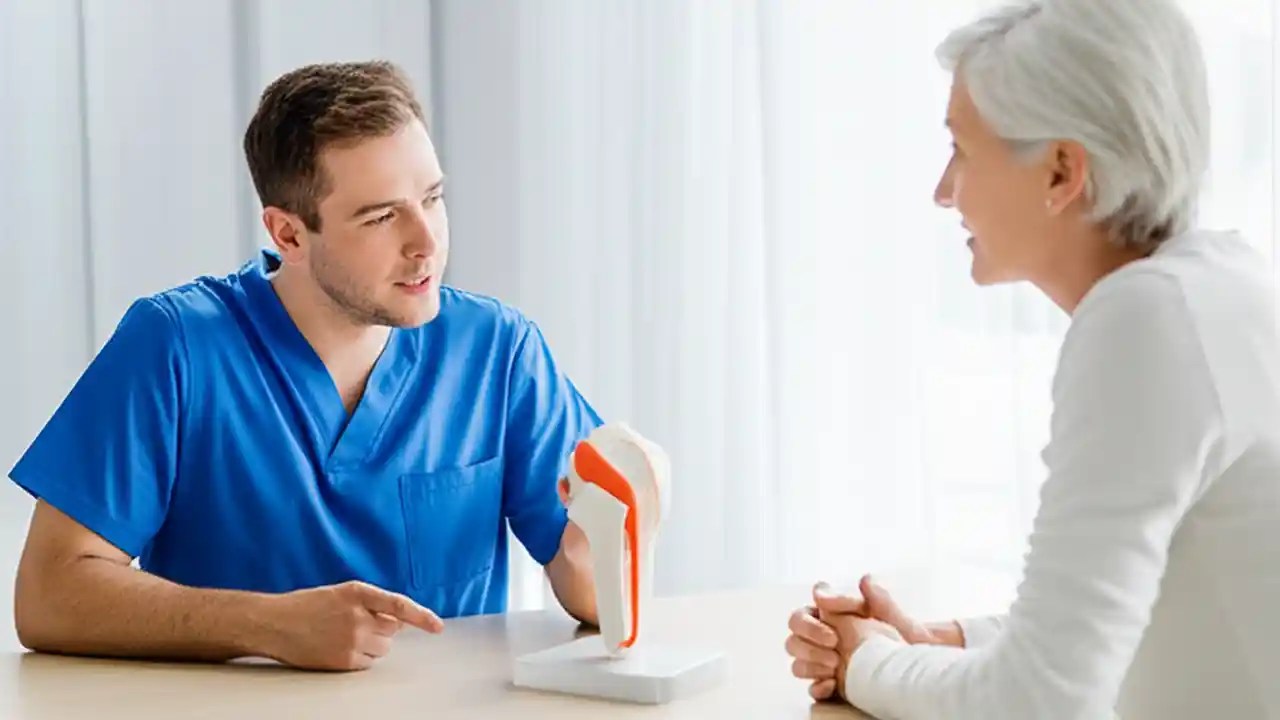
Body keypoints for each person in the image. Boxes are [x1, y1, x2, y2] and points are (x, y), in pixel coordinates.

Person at [9, 60, 602, 672]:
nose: (426, 242)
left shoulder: (497, 351)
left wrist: (619, 529)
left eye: (432, 198)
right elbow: (49, 594)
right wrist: (268, 626)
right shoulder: (176, 346)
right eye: (381, 217)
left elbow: (589, 590)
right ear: (288, 235)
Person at [785, 1, 1280, 718]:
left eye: (961, 148)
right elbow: (1130, 614)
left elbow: (1039, 700)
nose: (943, 190)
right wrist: (938, 642)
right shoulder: (1222, 285)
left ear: (1060, 172)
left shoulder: (1145, 319)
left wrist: (868, 662)